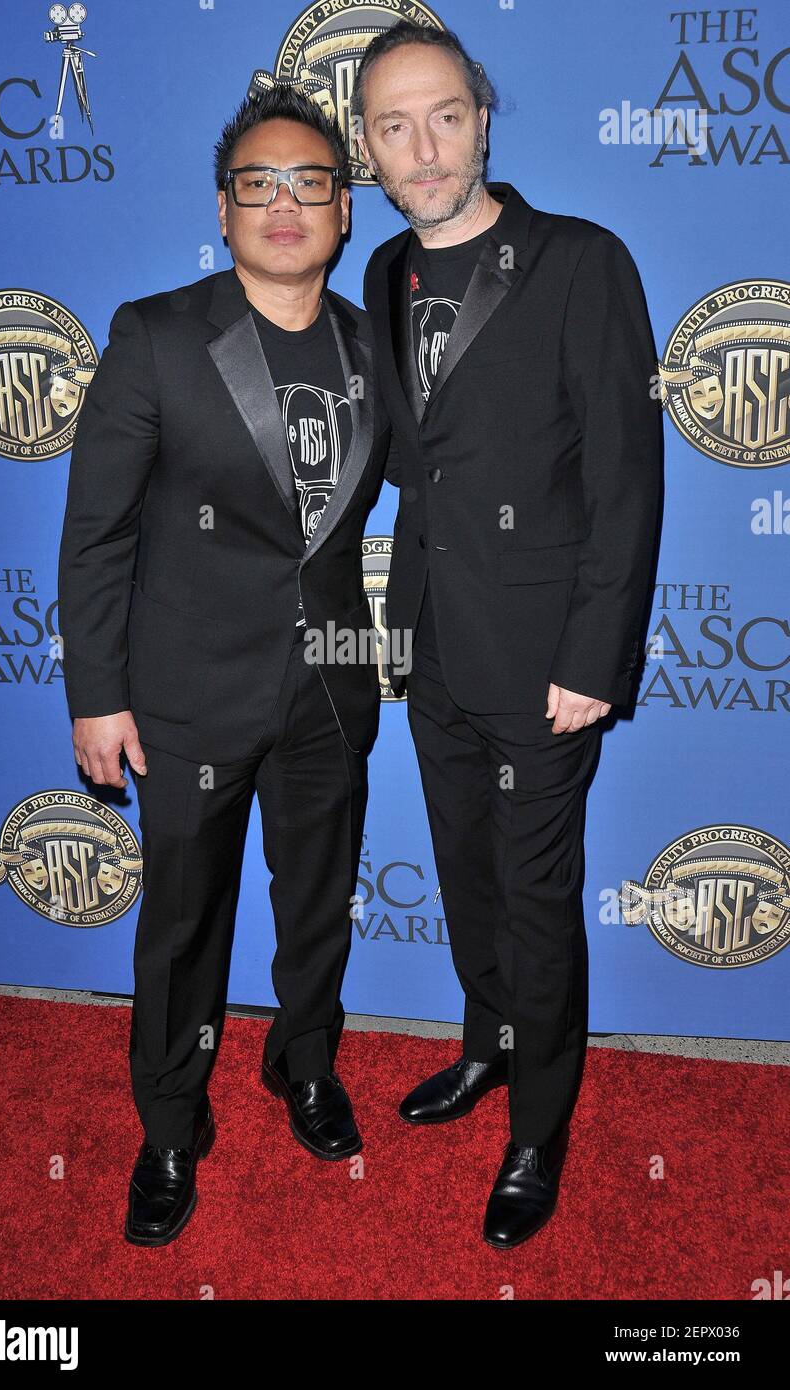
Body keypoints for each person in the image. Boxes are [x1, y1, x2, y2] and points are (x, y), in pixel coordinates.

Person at [57, 86, 390, 1247]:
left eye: (309, 182)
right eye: (260, 182)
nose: (285, 202)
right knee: (184, 924)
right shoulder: (154, 334)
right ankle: (166, 1125)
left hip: (329, 690)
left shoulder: (370, 347)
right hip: (187, 694)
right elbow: (95, 532)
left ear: (343, 211)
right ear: (224, 205)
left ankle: (302, 1066)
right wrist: (96, 692)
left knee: (315, 909)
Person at [356, 22, 663, 1248]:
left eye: (441, 115)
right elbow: (395, 458)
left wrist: (592, 658)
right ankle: (486, 1047)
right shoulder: (381, 273)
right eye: (391, 125)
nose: (421, 147)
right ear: (367, 148)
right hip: (428, 640)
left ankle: (538, 1125)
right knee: (466, 874)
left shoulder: (580, 261)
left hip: (544, 662)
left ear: (483, 118)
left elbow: (625, 480)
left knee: (535, 898)